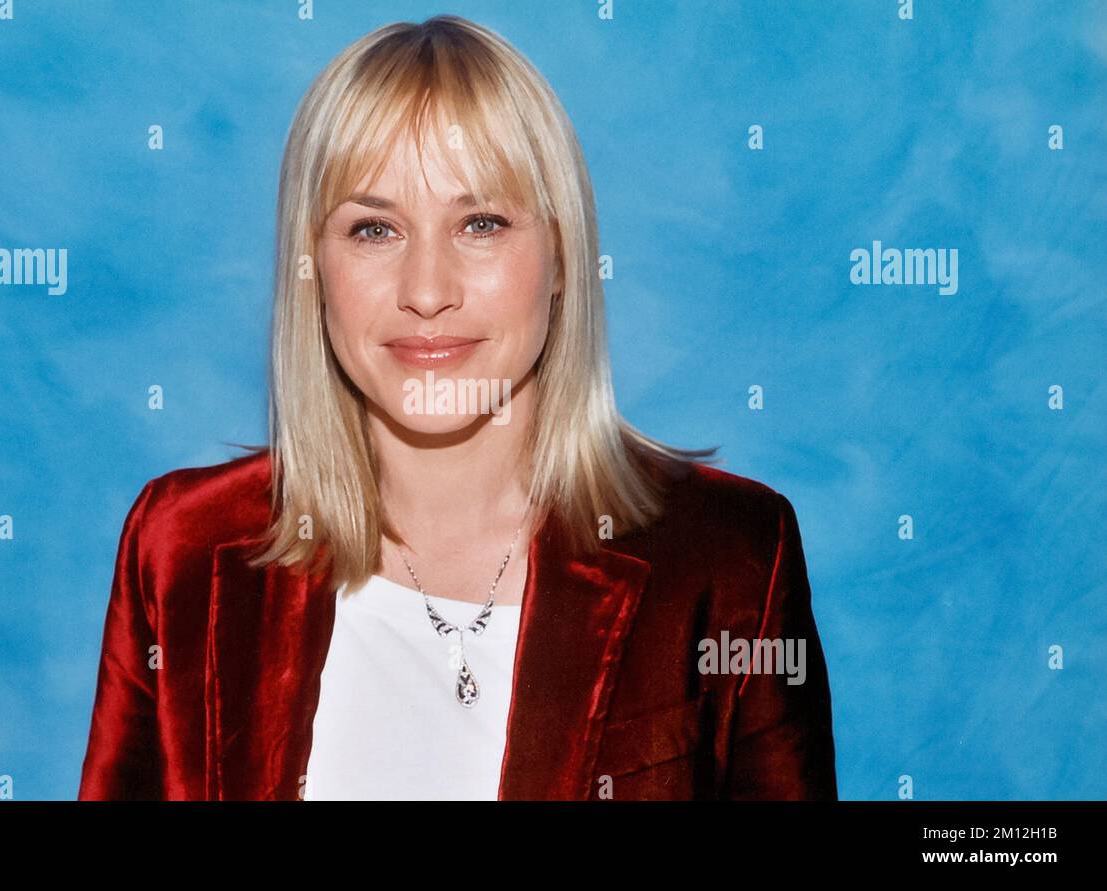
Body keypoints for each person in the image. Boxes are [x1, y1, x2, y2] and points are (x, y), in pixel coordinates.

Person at [77, 14, 837, 801]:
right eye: (373, 228)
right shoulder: (182, 550)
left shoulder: (729, 560)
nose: (428, 292)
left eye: (481, 223)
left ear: (562, 259)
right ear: (313, 268)